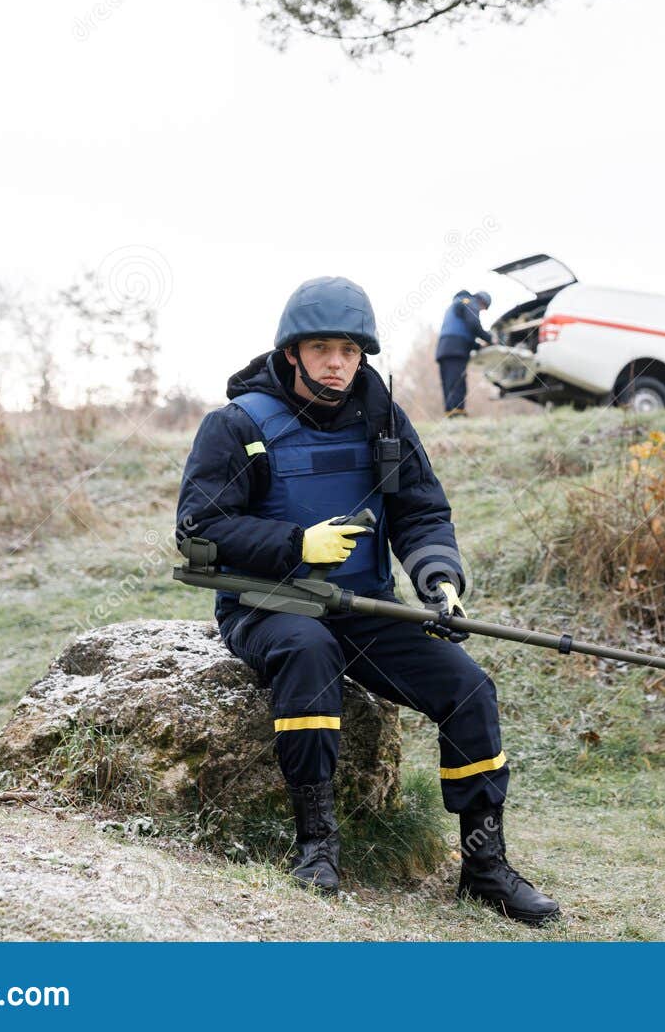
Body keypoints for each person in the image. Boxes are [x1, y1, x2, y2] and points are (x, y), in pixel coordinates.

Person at [175, 276, 559, 925]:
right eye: (322, 347)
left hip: (368, 608)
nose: (336, 363)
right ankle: (317, 848)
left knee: (469, 690)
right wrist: (299, 544)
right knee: (308, 648)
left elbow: (420, 511)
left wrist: (440, 579)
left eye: (350, 350)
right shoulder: (236, 425)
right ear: (292, 351)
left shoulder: (383, 421)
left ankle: (484, 867)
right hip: (270, 607)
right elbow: (199, 531)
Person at [435, 289, 493, 417]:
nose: (481, 310)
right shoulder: (470, 302)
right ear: (482, 301)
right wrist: (490, 339)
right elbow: (473, 324)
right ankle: (458, 412)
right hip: (456, 349)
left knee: (448, 382)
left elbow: (462, 331)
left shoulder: (456, 304)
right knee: (457, 382)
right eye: (483, 308)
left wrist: (478, 346)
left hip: (444, 348)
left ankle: (450, 412)